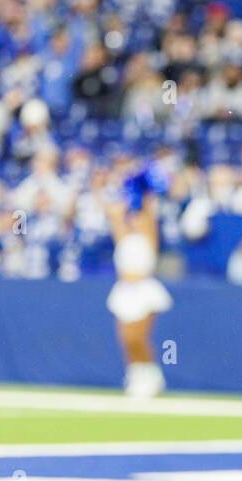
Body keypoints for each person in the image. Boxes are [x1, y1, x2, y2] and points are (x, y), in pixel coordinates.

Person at [106, 168, 172, 398]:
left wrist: (143, 190)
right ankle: (135, 374)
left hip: (144, 290)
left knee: (139, 337)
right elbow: (114, 215)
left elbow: (148, 210)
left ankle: (152, 377)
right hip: (124, 291)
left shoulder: (148, 230)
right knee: (126, 339)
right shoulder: (123, 234)